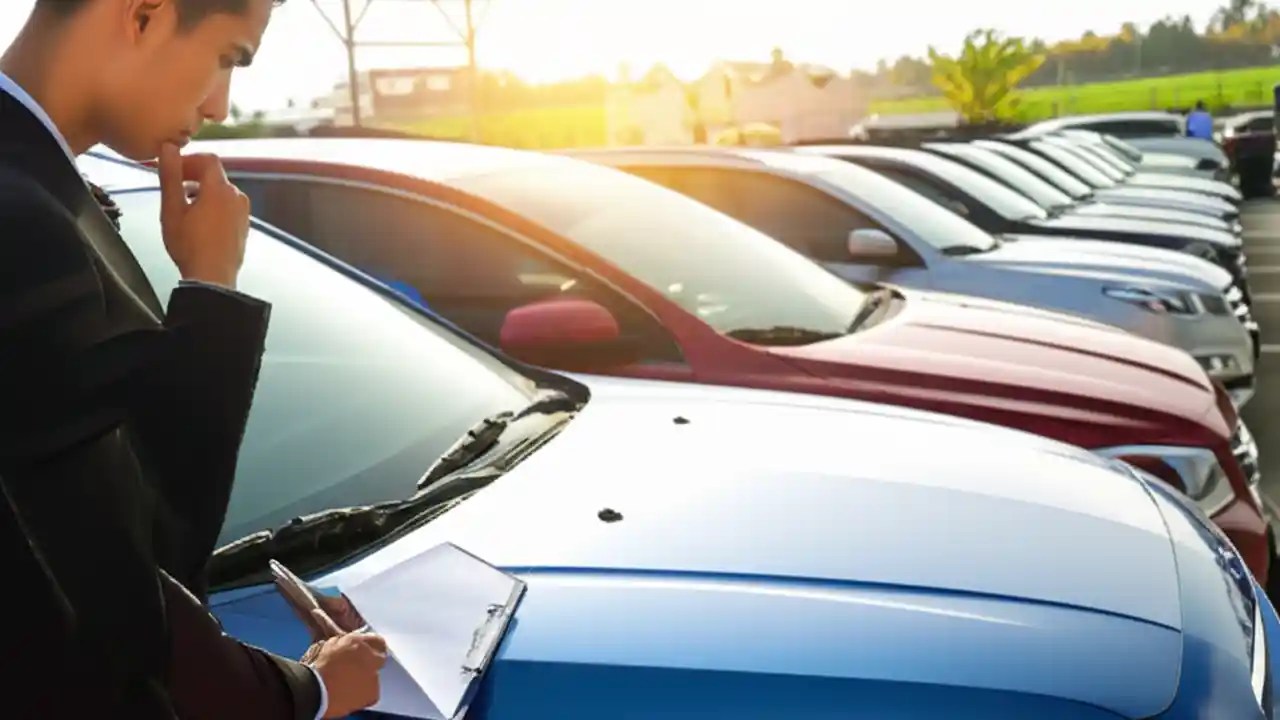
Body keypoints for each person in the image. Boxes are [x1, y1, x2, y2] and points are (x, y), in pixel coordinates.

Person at [0, 1, 386, 717]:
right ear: (142, 14)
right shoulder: (24, 226)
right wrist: (314, 690)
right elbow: (129, 587)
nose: (219, 104)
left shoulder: (34, 190)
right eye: (228, 57)